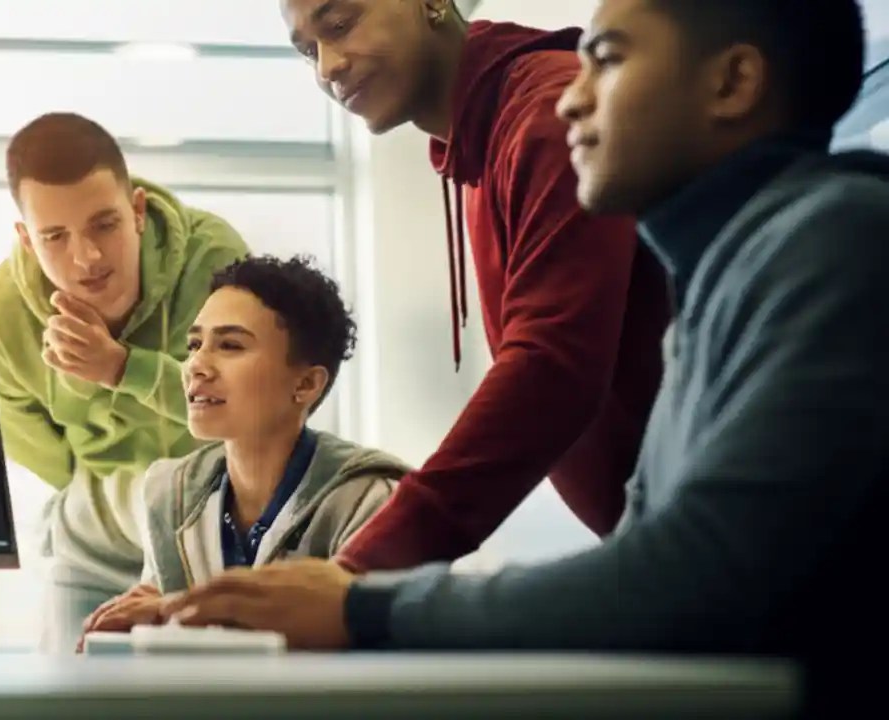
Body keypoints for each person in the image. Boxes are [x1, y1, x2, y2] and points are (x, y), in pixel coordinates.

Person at [161, 0, 887, 702]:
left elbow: (700, 565)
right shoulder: (714, 289)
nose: (574, 97)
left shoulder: (839, 239)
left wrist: (361, 602)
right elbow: (646, 555)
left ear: (732, 82)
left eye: (605, 59)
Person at [277, 0, 672, 574]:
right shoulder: (480, 143)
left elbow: (552, 370)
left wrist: (357, 572)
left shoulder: (545, 109)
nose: (326, 67)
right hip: (664, 539)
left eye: (340, 25)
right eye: (308, 49)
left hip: (735, 545)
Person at [0, 112, 248, 653]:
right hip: (96, 532)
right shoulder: (4, 309)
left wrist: (122, 369)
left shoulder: (214, 258)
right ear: (27, 241)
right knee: (72, 687)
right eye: (54, 236)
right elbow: (44, 456)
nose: (87, 258)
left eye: (104, 224)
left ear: (137, 212)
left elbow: (248, 409)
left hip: (215, 516)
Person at [77, 255, 409, 646]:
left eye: (230, 345)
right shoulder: (168, 494)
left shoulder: (369, 499)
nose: (196, 365)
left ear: (305, 384)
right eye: (195, 344)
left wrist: (171, 611)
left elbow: (362, 645)